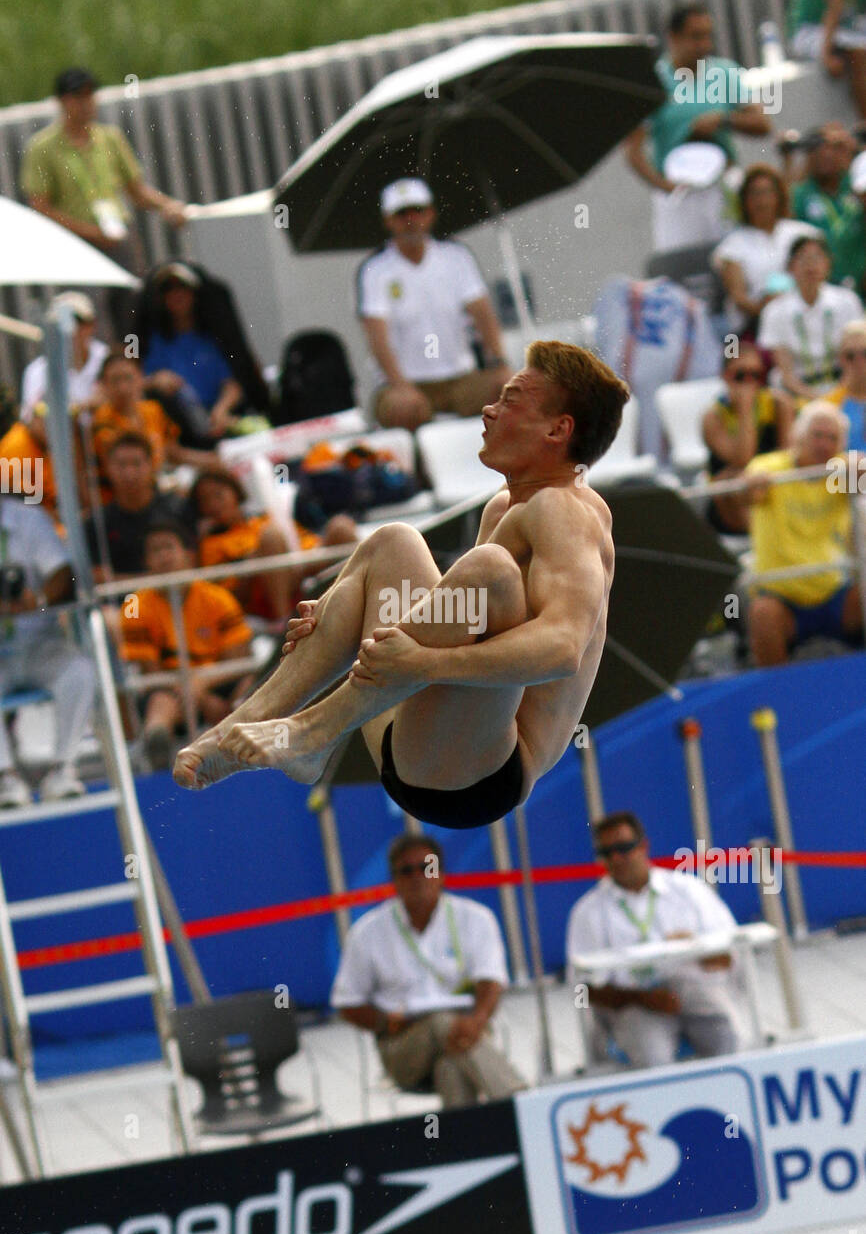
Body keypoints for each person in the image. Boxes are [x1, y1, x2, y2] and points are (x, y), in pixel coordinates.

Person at [172, 342, 626, 834]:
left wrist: (425, 662)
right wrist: (336, 610)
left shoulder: (567, 509)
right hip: (409, 739)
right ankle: (244, 726)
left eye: (511, 400)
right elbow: (455, 626)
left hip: (482, 775)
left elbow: (562, 649)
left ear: (558, 430)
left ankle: (314, 730)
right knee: (393, 541)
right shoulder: (505, 506)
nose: (488, 409)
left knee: (491, 570)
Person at [331, 832, 525, 1108]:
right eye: (406, 871)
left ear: (442, 873)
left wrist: (477, 1021)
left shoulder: (475, 918)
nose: (417, 876)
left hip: (468, 1032)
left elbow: (491, 982)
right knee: (441, 1022)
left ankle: (468, 1147)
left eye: (427, 868)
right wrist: (387, 1022)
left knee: (450, 1067)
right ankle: (519, 1102)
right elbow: (346, 1002)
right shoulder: (368, 932)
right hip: (403, 1047)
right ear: (394, 880)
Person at [565, 812, 741, 1069]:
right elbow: (581, 990)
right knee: (652, 1058)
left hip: (692, 988)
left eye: (624, 848)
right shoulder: (588, 912)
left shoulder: (688, 890)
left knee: (727, 1038)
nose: (616, 858)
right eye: (606, 852)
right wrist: (642, 998)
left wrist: (695, 948)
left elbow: (730, 956)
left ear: (643, 846)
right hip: (633, 1003)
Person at [357, 177, 511, 430]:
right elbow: (377, 338)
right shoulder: (375, 270)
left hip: (462, 381)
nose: (411, 220)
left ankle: (505, 463)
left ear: (430, 214)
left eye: (417, 211)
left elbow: (483, 314)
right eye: (401, 214)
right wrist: (400, 386)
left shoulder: (456, 257)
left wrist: (498, 362)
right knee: (402, 408)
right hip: (407, 384)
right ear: (388, 221)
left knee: (510, 387)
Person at [624, 3, 772, 251]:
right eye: (695, 37)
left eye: (708, 36)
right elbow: (633, 151)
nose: (705, 45)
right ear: (673, 37)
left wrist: (724, 119)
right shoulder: (653, 81)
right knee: (683, 268)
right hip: (679, 191)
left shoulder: (724, 73)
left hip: (722, 184)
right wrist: (665, 187)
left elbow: (762, 124)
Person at [20, 68, 187, 273]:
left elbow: (137, 191)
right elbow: (41, 207)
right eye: (78, 96)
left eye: (90, 95)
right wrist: (90, 232)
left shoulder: (110, 138)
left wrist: (168, 205)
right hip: (77, 245)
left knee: (132, 296)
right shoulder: (42, 148)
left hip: (118, 236)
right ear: (62, 101)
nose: (86, 103)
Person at [120, 520, 253, 770]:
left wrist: (202, 684)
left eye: (169, 547)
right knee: (160, 704)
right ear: (147, 563)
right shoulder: (134, 605)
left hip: (218, 682)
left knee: (250, 687)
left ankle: (254, 750)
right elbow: (151, 671)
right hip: (171, 688)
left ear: (188, 555)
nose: (163, 556)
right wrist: (197, 694)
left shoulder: (217, 598)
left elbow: (239, 660)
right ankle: (159, 760)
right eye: (155, 551)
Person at [744, 401, 861, 664]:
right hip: (781, 598)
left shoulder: (841, 470)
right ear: (798, 436)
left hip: (834, 592)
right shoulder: (770, 467)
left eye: (832, 438)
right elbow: (749, 494)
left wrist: (858, 466)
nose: (824, 444)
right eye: (817, 435)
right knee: (762, 614)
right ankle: (775, 698)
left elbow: (862, 473)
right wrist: (752, 488)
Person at [0, 497, 96, 807]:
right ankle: (6, 777)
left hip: (38, 640)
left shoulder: (27, 519)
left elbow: (65, 576)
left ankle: (62, 768)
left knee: (80, 671)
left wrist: (38, 599)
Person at [136, 262, 271, 444]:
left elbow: (232, 382)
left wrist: (221, 410)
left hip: (218, 424)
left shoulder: (213, 336)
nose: (176, 294)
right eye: (168, 289)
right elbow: (136, 383)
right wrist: (155, 380)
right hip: (177, 430)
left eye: (183, 287)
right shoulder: (154, 341)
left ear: (194, 293)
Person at [711, 165, 817, 334]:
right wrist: (769, 310)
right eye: (754, 194)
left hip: (805, 322)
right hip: (752, 326)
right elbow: (738, 297)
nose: (761, 200)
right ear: (744, 200)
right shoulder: (732, 244)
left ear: (779, 196)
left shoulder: (805, 234)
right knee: (736, 353)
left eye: (767, 192)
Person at [191, 466, 302, 625]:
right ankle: (284, 621)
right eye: (205, 500)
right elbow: (228, 593)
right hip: (258, 597)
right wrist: (253, 560)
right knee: (271, 537)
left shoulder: (263, 520)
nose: (213, 504)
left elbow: (306, 547)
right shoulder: (210, 543)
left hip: (298, 573)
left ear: (235, 492)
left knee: (340, 528)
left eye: (218, 495)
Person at [701, 345, 794, 533]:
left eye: (756, 375)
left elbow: (788, 456)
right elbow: (743, 459)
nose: (750, 383)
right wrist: (746, 410)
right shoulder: (713, 417)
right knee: (735, 480)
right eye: (741, 376)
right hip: (731, 503)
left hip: (771, 483)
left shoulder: (779, 404)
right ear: (726, 376)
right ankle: (760, 540)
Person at [89, 347, 216, 484]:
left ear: (140, 377)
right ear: (104, 385)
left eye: (128, 378)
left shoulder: (152, 410)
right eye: (115, 381)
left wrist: (213, 460)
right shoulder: (102, 422)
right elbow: (127, 474)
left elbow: (174, 453)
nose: (123, 388)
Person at [757, 234, 863, 397]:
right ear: (791, 267)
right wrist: (819, 399)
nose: (811, 265)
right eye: (803, 259)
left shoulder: (847, 301)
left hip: (845, 386)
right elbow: (786, 374)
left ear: (828, 264)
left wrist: (837, 395)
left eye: (817, 258)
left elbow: (856, 356)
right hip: (796, 392)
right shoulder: (774, 311)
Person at [85, 432, 185, 580]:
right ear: (108, 469)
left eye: (136, 464)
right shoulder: (96, 523)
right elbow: (98, 577)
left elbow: (189, 562)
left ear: (152, 465)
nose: (129, 473)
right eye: (121, 465)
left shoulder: (177, 508)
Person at [790, 122, 866, 292]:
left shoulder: (856, 185)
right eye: (819, 147)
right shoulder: (802, 193)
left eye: (835, 147)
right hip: (821, 284)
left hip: (858, 280)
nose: (826, 153)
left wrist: (852, 151)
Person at [787, 0, 866, 118]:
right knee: (859, 54)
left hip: (849, 26)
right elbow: (836, 2)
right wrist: (826, 54)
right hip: (813, 29)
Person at [19, 292, 107, 425]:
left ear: (91, 325)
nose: (70, 330)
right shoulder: (37, 371)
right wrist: (83, 407)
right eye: (61, 322)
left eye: (77, 321)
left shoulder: (107, 357)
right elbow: (32, 419)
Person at [823, 317, 866, 446]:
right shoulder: (828, 406)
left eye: (865, 353)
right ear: (841, 359)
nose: (859, 361)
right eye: (850, 355)